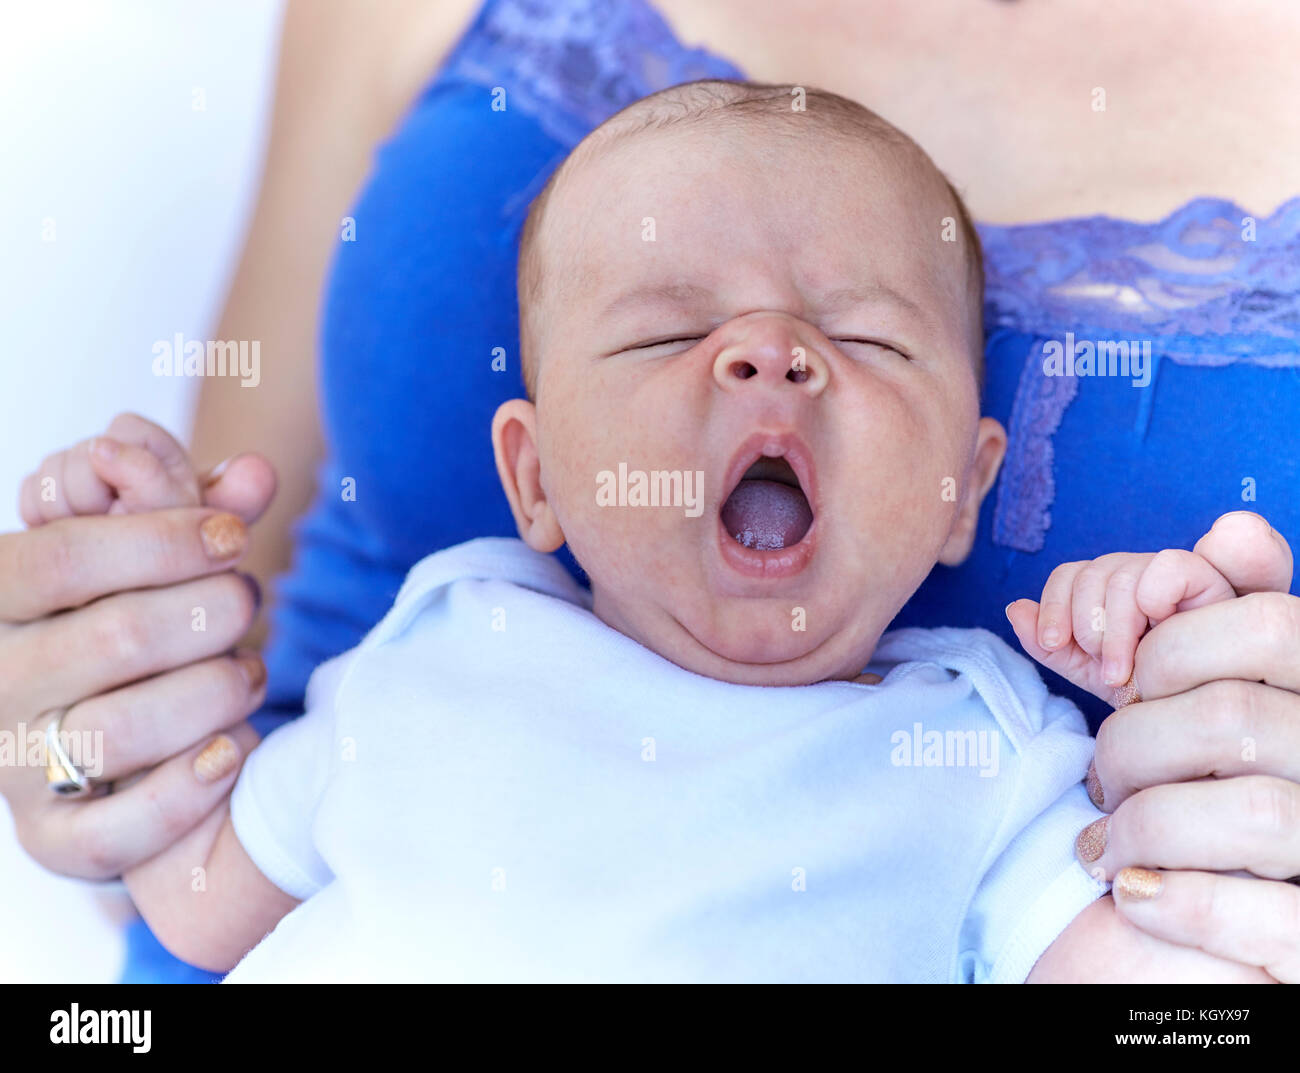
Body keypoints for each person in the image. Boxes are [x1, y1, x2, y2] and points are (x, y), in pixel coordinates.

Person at [2, 0, 1298, 982]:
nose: (768, 351)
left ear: (969, 487)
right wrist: (98, 692)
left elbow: (1168, 985)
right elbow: (183, 882)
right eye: (666, 330)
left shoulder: (983, 755)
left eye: (867, 335)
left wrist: (1172, 681)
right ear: (534, 476)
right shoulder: (436, 646)